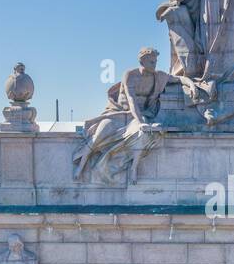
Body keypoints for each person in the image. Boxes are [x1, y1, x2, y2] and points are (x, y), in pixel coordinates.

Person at [72, 48, 171, 184]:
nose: (154, 64)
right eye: (151, 61)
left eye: (155, 61)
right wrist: (141, 121)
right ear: (142, 61)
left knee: (144, 135)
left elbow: (179, 79)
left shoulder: (158, 76)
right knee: (97, 138)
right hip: (119, 113)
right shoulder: (130, 74)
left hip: (139, 117)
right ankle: (81, 166)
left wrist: (192, 86)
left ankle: (133, 168)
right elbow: (131, 100)